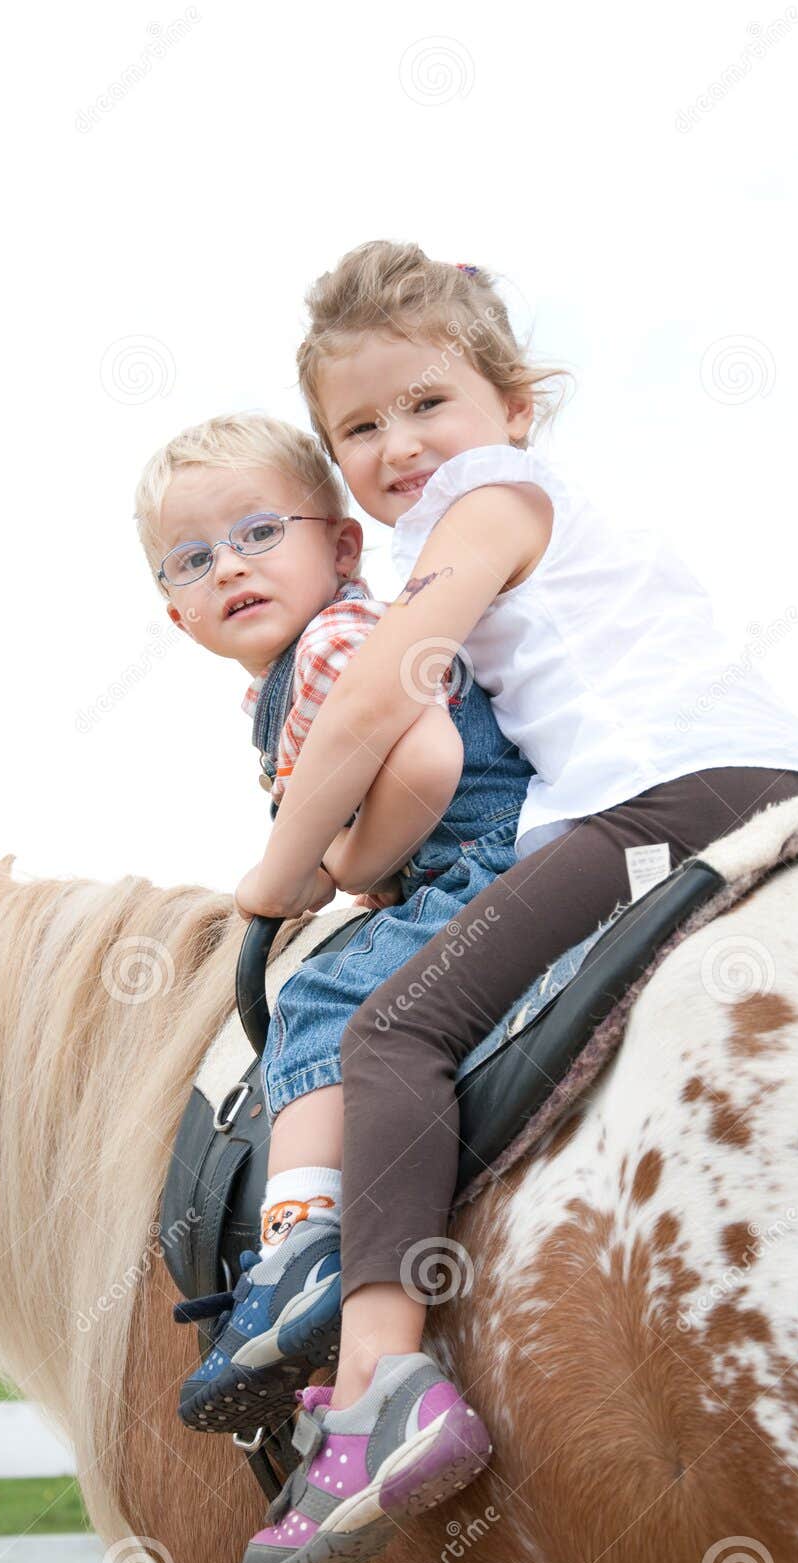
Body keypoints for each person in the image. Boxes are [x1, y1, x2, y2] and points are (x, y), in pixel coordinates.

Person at [232, 240, 798, 1563]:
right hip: (749, 774)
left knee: (392, 1032)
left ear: (513, 404)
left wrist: (276, 874)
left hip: (657, 798)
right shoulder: (521, 504)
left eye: (424, 404)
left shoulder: (487, 498)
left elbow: (386, 688)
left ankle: (383, 1393)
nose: (397, 445)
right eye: (358, 427)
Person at [131, 409, 541, 1452]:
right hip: (456, 862)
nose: (230, 565)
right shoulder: (291, 672)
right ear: (178, 615)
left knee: (316, 1003)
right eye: (194, 558)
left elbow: (429, 767)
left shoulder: (335, 645)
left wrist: (340, 866)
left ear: (343, 544)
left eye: (260, 533)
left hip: (483, 856)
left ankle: (299, 1243)